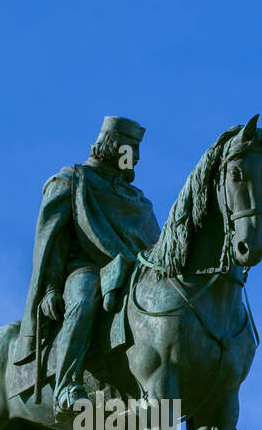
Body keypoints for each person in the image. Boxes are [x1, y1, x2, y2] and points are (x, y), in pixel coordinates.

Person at [14, 116, 160, 414]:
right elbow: (49, 243)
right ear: (114, 148)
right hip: (85, 269)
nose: (138, 158)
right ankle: (68, 384)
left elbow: (155, 250)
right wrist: (52, 288)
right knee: (83, 298)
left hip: (133, 274)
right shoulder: (70, 181)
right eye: (132, 150)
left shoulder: (137, 200)